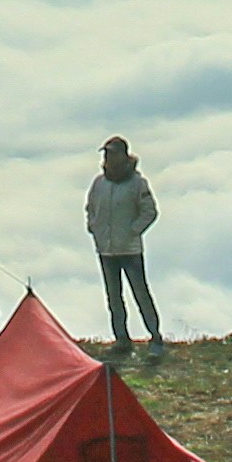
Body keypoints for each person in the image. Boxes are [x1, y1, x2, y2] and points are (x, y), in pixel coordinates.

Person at [87, 137, 165, 357]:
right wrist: (94, 227)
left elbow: (150, 211)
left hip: (129, 250)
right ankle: (122, 339)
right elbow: (90, 207)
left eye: (111, 154)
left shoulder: (137, 183)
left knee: (141, 294)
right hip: (106, 250)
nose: (107, 158)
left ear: (123, 155)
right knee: (114, 296)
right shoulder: (99, 183)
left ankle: (155, 337)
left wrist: (133, 231)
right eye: (106, 154)